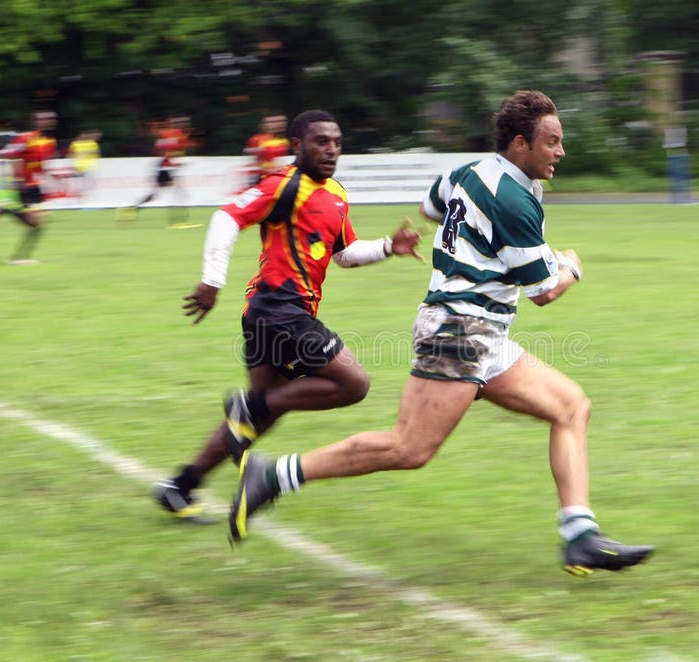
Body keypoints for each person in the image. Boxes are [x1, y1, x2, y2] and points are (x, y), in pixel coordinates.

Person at [227, 91, 655, 577]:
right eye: (552, 143)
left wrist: (480, 249)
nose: (560, 152)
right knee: (409, 448)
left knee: (572, 406)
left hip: (481, 331)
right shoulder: (515, 198)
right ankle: (273, 475)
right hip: (460, 329)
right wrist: (571, 268)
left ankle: (581, 537)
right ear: (520, 144)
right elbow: (544, 293)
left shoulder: (468, 171)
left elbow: (433, 208)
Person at [152, 109, 422, 521]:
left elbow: (344, 255)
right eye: (320, 141)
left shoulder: (335, 192)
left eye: (336, 142)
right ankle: (244, 410)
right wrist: (211, 281)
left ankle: (181, 486)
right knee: (354, 383)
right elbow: (227, 217)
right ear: (297, 145)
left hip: (270, 313)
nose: (331, 149)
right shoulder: (282, 185)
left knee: (262, 411)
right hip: (280, 309)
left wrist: (389, 246)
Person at [0, 110, 58, 265]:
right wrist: (16, 178)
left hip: (38, 186)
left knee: (37, 225)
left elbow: (41, 165)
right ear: (36, 122)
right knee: (35, 223)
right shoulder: (27, 138)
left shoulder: (50, 142)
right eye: (43, 119)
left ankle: (20, 257)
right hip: (26, 184)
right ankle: (19, 256)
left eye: (50, 119)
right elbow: (11, 154)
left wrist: (48, 181)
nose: (48, 121)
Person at [117, 117, 192, 226]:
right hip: (166, 167)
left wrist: (172, 161)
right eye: (183, 123)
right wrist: (174, 162)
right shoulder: (177, 136)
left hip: (162, 167)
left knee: (156, 195)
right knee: (180, 192)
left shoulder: (170, 135)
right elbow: (167, 152)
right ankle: (178, 221)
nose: (185, 125)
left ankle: (129, 210)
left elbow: (159, 148)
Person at [241, 113, 289, 189]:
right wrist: (269, 168)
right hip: (258, 177)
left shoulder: (283, 141)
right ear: (265, 125)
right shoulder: (256, 140)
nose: (278, 124)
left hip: (274, 175)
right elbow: (254, 161)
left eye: (281, 121)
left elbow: (277, 161)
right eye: (273, 122)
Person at [69, 129, 102, 205]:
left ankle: (89, 201)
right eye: (81, 136)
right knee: (80, 185)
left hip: (89, 167)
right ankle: (80, 201)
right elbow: (71, 155)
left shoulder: (92, 143)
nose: (82, 137)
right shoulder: (75, 144)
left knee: (89, 185)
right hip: (79, 167)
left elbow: (97, 155)